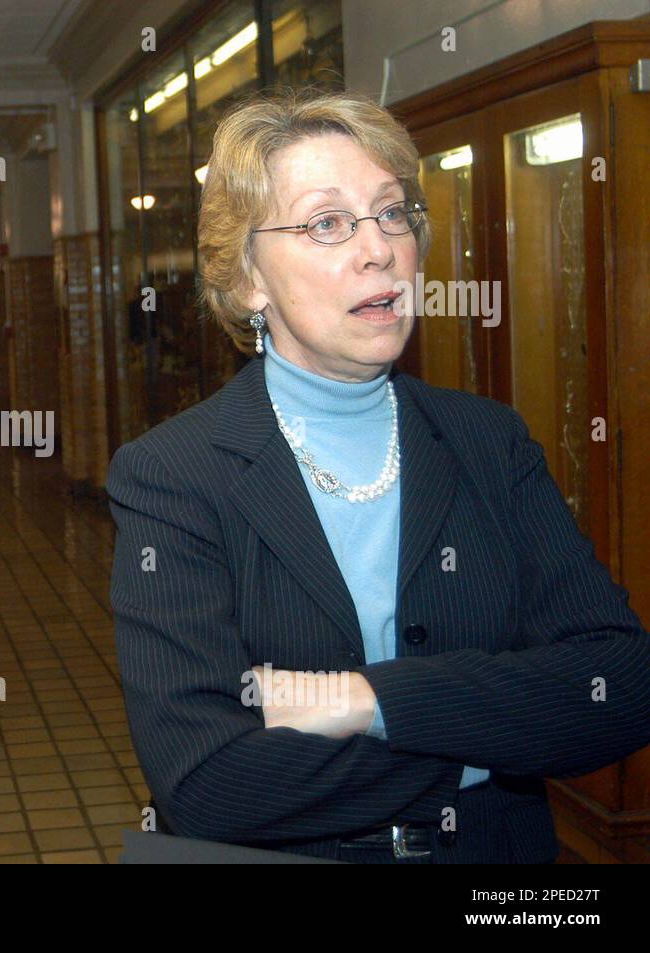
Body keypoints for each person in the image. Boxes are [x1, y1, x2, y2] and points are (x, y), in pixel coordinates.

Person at [108, 87, 650, 864]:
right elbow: (209, 779)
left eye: (392, 213)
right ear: (248, 279)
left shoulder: (487, 440)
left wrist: (363, 700)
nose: (379, 248)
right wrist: (496, 737)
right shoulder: (173, 475)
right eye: (327, 223)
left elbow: (621, 684)